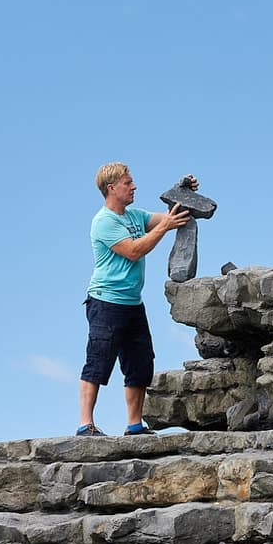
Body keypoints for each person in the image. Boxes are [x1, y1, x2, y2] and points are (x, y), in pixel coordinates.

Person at [80, 162, 194, 437]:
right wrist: (163, 227)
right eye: (128, 183)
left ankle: (134, 425)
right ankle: (86, 424)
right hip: (106, 301)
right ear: (112, 188)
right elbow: (133, 250)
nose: (134, 187)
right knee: (99, 360)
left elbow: (170, 216)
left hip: (132, 303)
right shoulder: (104, 221)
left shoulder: (135, 216)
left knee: (140, 363)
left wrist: (183, 192)